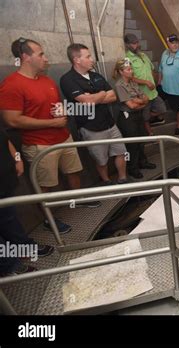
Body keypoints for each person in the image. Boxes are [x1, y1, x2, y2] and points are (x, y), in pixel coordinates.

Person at [0, 38, 94, 235]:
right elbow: (12, 121)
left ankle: (77, 201)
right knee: (45, 185)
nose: (46, 58)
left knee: (73, 172)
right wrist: (51, 123)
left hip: (63, 138)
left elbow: (57, 106)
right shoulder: (12, 85)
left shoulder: (47, 81)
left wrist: (62, 111)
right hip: (39, 145)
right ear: (25, 57)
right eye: (41, 54)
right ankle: (49, 219)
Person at [60, 43, 128, 185]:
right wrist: (102, 94)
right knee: (101, 159)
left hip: (110, 123)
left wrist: (94, 97)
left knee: (120, 152)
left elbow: (113, 96)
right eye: (88, 56)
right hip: (91, 127)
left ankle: (123, 178)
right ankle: (106, 181)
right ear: (77, 60)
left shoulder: (96, 76)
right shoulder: (67, 79)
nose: (92, 60)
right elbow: (87, 102)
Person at [0, 129, 54, 276]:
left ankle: (24, 248)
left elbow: (4, 137)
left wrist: (17, 158)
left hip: (4, 177)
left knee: (9, 217)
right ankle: (8, 265)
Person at [113, 59, 156, 179]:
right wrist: (140, 101)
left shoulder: (133, 82)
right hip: (128, 118)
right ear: (121, 72)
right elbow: (131, 105)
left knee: (141, 140)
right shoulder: (119, 85)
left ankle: (143, 162)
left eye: (131, 69)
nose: (131, 71)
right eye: (128, 69)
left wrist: (139, 101)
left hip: (138, 115)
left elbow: (145, 98)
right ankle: (133, 168)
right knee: (132, 145)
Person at [124, 33, 166, 136]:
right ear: (127, 45)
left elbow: (151, 69)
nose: (136, 45)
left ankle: (152, 119)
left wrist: (155, 81)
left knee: (162, 109)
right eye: (133, 43)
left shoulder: (143, 55)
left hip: (153, 92)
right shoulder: (126, 59)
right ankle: (150, 133)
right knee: (145, 117)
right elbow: (129, 77)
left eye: (137, 42)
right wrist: (146, 82)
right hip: (142, 94)